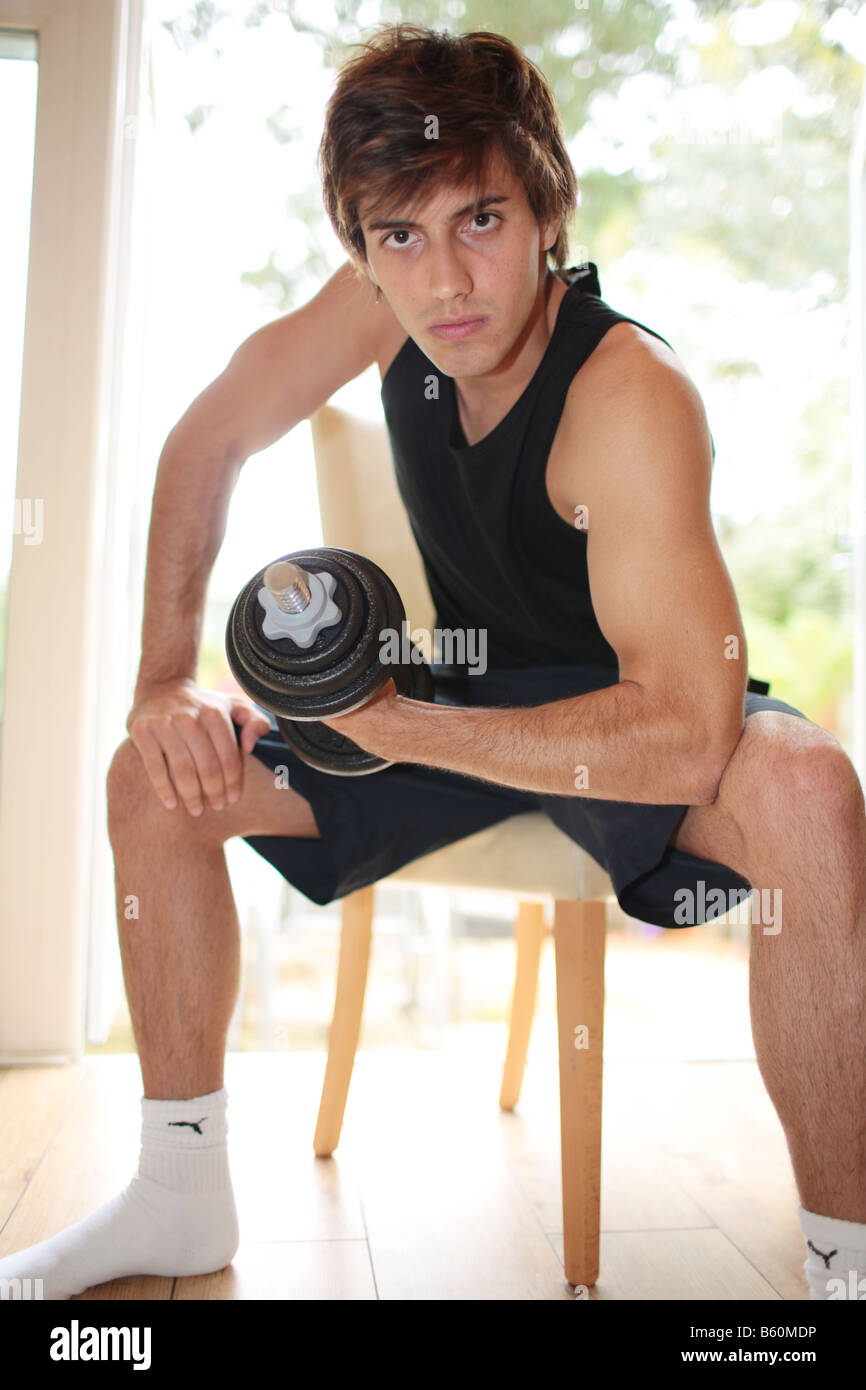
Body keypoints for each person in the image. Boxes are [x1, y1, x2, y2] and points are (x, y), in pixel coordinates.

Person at [1, 23, 863, 1302]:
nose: (445, 279)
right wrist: (162, 681)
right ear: (361, 246)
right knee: (155, 777)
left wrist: (393, 724)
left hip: (625, 716)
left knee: (805, 785)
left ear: (546, 212)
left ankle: (845, 1257)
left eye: (481, 221)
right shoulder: (389, 295)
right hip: (452, 698)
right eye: (397, 236)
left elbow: (684, 731)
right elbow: (206, 439)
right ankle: (178, 1193)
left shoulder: (627, 393)